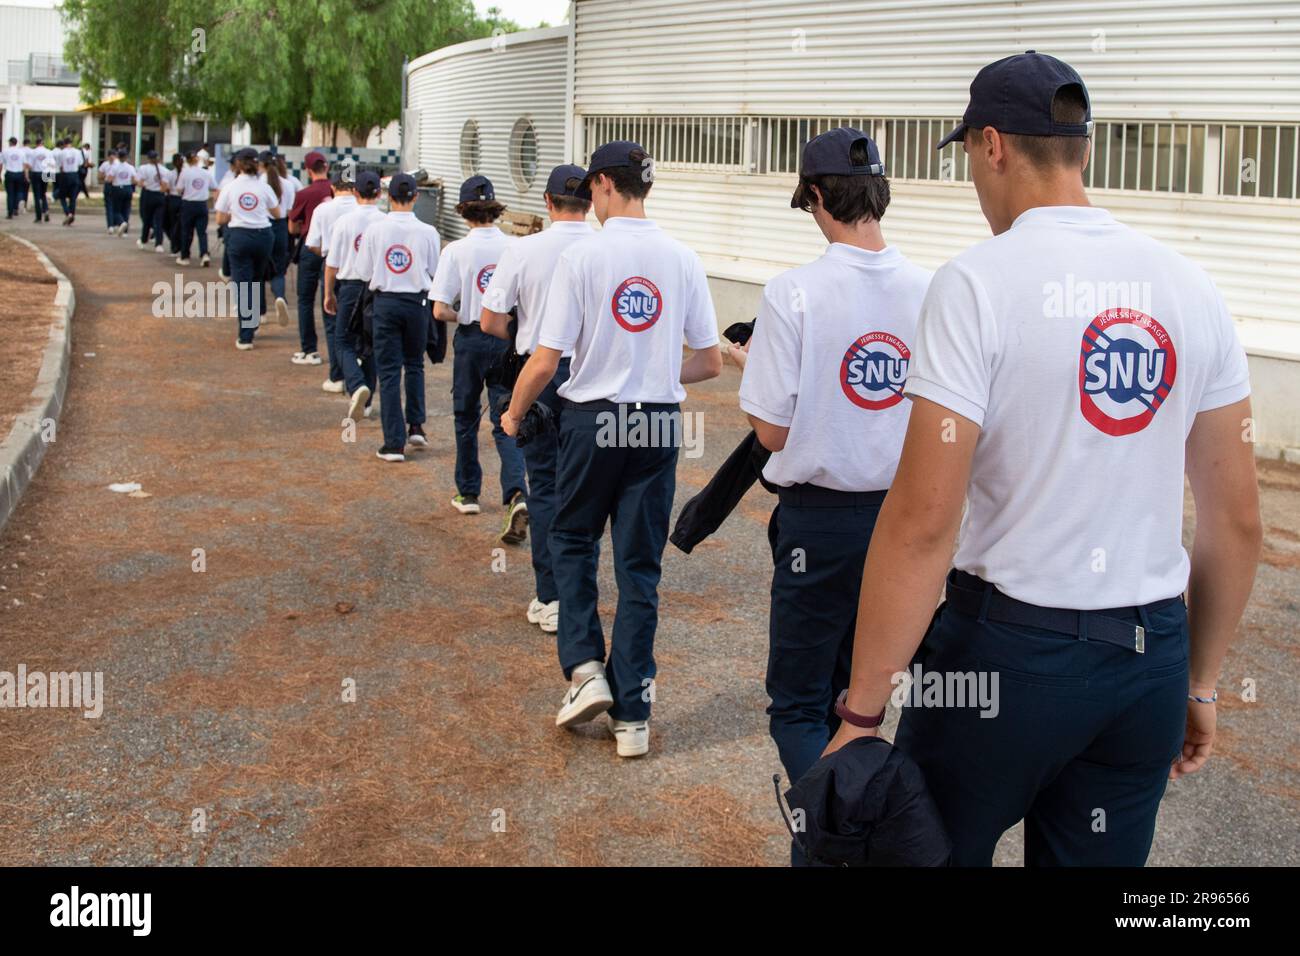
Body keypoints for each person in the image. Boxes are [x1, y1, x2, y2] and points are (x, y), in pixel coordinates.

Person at [823, 52, 1263, 867]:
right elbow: (1236, 520)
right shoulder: (1191, 287)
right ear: (1083, 150)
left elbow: (923, 523)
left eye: (969, 159)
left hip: (1009, 659)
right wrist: (1198, 682)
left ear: (992, 146)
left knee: (928, 852)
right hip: (1148, 662)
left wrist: (859, 715)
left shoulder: (977, 284)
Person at [736, 128, 930, 862]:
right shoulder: (932, 288)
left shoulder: (794, 293)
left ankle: (840, 836)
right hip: (904, 519)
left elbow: (773, 431)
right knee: (863, 698)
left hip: (818, 522)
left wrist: (752, 363)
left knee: (798, 701)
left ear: (815, 196)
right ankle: (846, 827)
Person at [502, 141, 723, 758]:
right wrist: (655, 370)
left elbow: (546, 359)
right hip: (655, 423)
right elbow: (708, 360)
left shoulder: (584, 255)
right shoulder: (681, 257)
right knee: (639, 568)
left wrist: (515, 413)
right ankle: (633, 717)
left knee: (572, 540)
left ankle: (584, 669)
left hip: (592, 419)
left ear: (601, 184)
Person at [481, 164, 594, 631]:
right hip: (593, 373)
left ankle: (552, 597)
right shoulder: (603, 248)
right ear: (591, 201)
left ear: (548, 203)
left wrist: (522, 332)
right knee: (586, 489)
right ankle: (580, 594)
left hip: (539, 370)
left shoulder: (522, 249)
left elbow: (490, 321)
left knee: (544, 485)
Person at [430, 175, 528, 533]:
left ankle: (468, 493)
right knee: (507, 417)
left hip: (471, 337)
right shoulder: (515, 247)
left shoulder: (455, 251)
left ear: (464, 210)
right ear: (494, 208)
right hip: (506, 337)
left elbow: (440, 310)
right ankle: (517, 491)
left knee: (465, 416)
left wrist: (465, 313)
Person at [354, 173, 441, 461]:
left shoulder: (376, 230)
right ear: (416, 197)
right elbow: (433, 271)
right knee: (414, 364)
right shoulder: (428, 231)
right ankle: (416, 425)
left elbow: (364, 273)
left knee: (389, 370)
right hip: (417, 303)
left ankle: (394, 442)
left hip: (386, 303)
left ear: (388, 196)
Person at [323, 169, 385, 421]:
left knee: (342, 340)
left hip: (349, 286)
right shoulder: (385, 221)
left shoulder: (344, 222)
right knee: (369, 341)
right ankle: (367, 400)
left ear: (355, 192)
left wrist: (328, 293)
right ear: (380, 193)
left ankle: (356, 383)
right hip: (375, 288)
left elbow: (332, 263)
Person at [214, 146, 281, 350]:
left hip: (239, 236)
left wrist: (235, 214)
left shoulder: (231, 187)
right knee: (255, 280)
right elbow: (277, 213)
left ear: (238, 165)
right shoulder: (264, 187)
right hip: (263, 236)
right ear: (256, 164)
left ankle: (246, 335)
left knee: (242, 284)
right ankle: (254, 321)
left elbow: (219, 218)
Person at [306, 169, 357, 393]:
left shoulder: (323, 209)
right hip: (362, 273)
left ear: (333, 187)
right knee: (359, 326)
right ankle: (358, 372)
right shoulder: (364, 210)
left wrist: (329, 254)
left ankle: (338, 376)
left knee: (333, 324)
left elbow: (313, 244)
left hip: (333, 269)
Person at [288, 150, 332, 368]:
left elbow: (292, 226)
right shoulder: (336, 191)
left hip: (310, 246)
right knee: (331, 299)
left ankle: (309, 350)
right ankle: (338, 353)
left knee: (305, 299)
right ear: (327, 167)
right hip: (334, 250)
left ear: (307, 170)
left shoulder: (304, 194)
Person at [258, 150, 294, 327]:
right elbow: (288, 212)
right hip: (281, 227)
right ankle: (280, 297)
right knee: (278, 270)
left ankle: (261, 313)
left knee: (258, 272)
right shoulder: (288, 184)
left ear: (261, 165)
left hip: (262, 227)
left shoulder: (259, 183)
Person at [176, 150, 217, 266]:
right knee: (202, 232)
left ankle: (185, 256)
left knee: (186, 231)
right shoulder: (206, 173)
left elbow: (179, 189)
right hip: (202, 204)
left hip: (188, 203)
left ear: (187, 161)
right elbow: (214, 187)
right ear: (198, 159)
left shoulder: (185, 173)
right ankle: (204, 254)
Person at [135, 150, 168, 250]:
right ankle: (159, 244)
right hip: (160, 196)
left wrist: (147, 184)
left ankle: (144, 240)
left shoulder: (144, 168)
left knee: (147, 219)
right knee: (159, 221)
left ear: (148, 158)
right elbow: (165, 187)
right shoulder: (164, 170)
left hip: (148, 194)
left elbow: (140, 183)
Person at [109, 148, 137, 236]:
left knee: (116, 209)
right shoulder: (130, 167)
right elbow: (134, 180)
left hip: (117, 188)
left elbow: (110, 179)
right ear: (126, 157)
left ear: (118, 156)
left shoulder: (115, 167)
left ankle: (121, 222)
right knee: (126, 208)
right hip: (128, 188)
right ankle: (125, 229)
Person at [26, 136, 53, 224]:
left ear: (36, 143)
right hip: (46, 172)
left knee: (37, 195)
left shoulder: (33, 152)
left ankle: (38, 216)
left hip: (36, 173)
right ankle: (46, 210)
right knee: (43, 193)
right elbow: (51, 164)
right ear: (43, 143)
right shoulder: (48, 151)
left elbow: (29, 165)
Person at [55, 139, 82, 225]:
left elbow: (59, 165)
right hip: (74, 175)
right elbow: (80, 163)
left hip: (65, 175)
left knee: (62, 196)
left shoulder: (62, 153)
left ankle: (68, 213)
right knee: (73, 197)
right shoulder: (77, 152)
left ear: (64, 144)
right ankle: (72, 214)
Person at [162, 153, 185, 253]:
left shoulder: (169, 174)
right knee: (182, 224)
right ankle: (181, 244)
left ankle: (174, 245)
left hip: (173, 199)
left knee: (172, 223)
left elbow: (165, 188)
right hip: (184, 199)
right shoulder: (186, 174)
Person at [2, 137, 25, 220]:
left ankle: (10, 213)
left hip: (10, 173)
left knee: (10, 193)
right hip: (19, 173)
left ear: (10, 143)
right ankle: (16, 208)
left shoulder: (5, 151)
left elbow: (1, 163)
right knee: (18, 191)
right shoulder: (21, 152)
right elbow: (24, 164)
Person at [97, 150, 117, 232]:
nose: (112, 158)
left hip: (116, 185)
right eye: (110, 156)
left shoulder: (118, 164)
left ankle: (115, 223)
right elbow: (99, 175)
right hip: (108, 185)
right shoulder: (105, 164)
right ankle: (111, 225)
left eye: (113, 156)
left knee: (116, 206)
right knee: (109, 206)